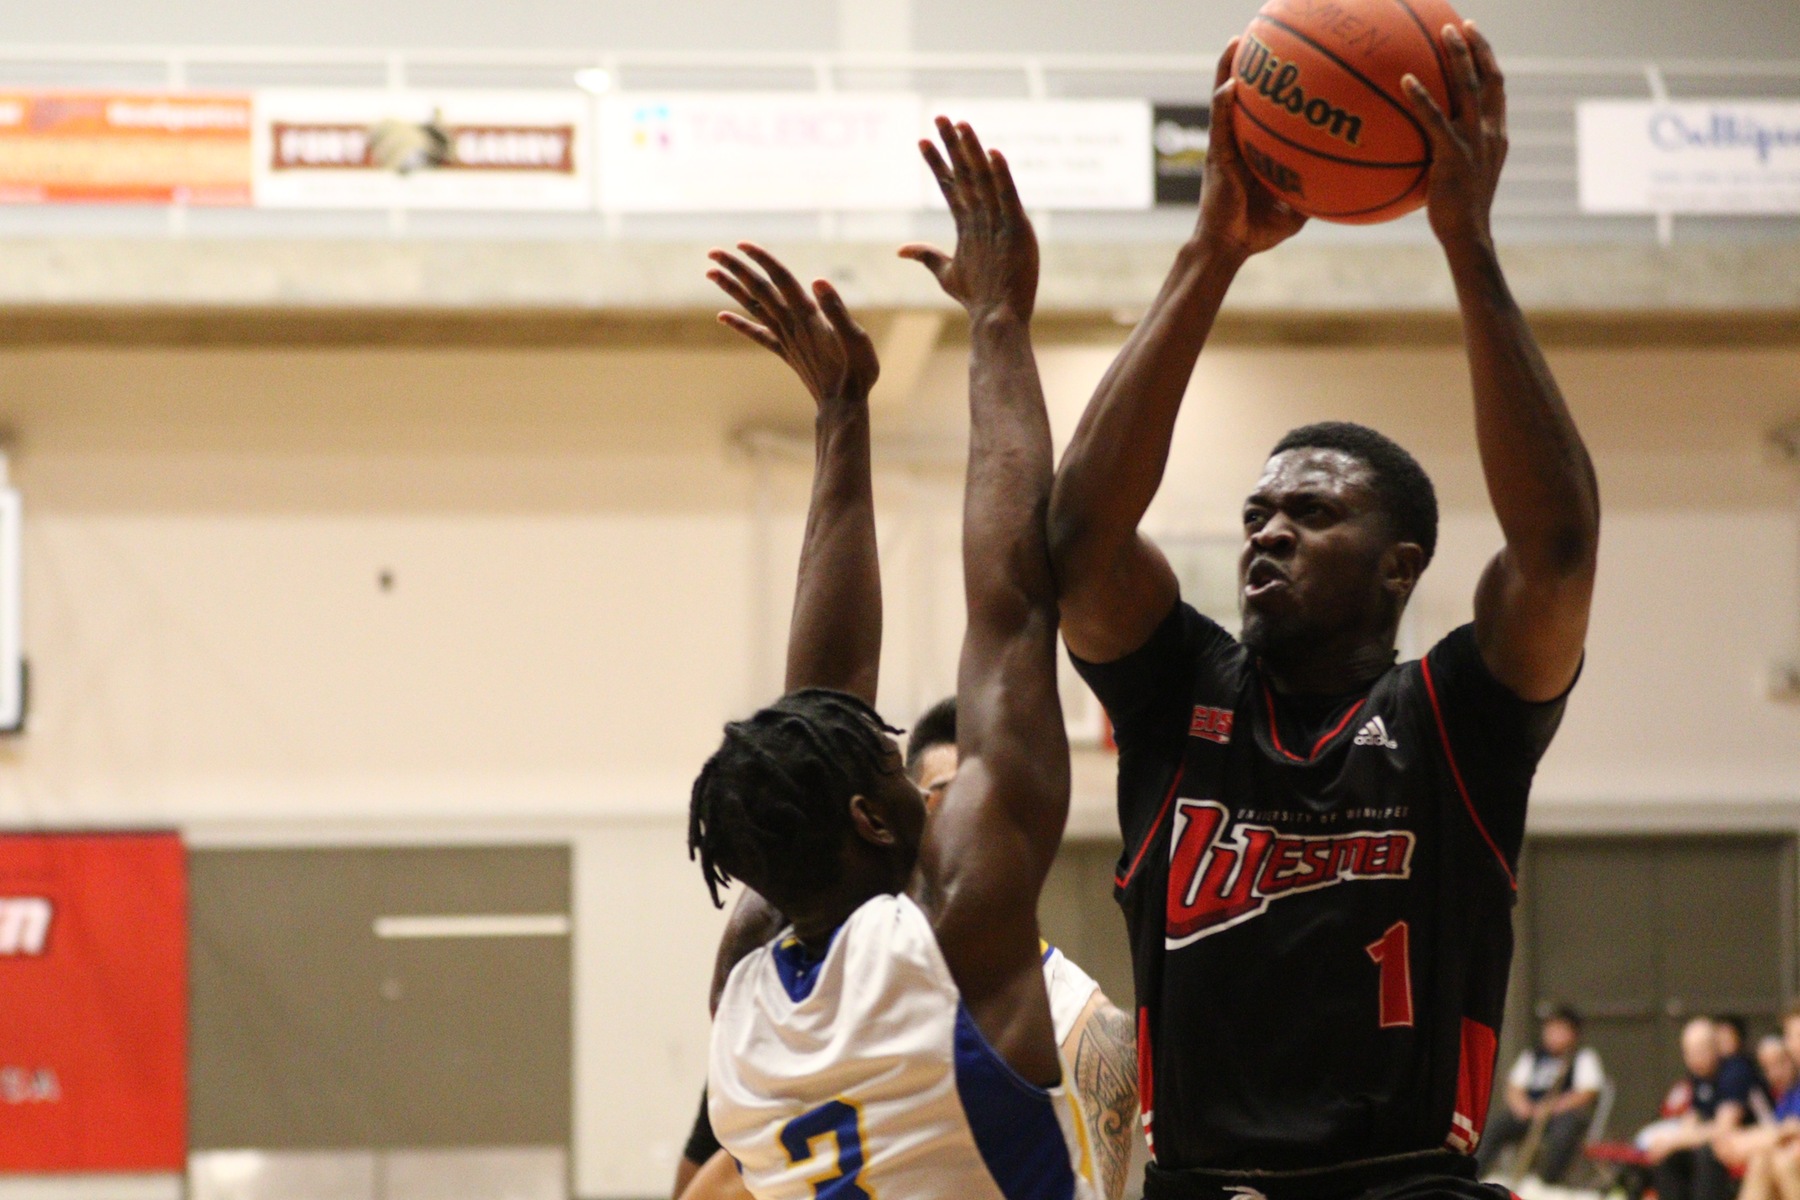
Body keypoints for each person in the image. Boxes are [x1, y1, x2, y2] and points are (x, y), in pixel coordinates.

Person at [1047, 23, 1600, 1200]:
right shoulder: (1179, 696)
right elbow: (1080, 542)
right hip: (1203, 1182)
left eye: (1311, 513)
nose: (1268, 531)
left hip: (1405, 1183)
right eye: (1257, 512)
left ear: (1400, 566)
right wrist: (1210, 250)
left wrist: (1468, 244)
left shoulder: (1457, 717)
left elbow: (1553, 550)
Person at [690, 119, 1096, 1200]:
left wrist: (840, 419)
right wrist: (1000, 320)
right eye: (887, 762)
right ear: (874, 819)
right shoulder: (954, 928)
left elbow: (813, 721)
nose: (908, 759)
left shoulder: (742, 985)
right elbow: (1010, 611)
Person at [1475, 1007, 1604, 1182]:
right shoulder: (1532, 1055)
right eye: (1551, 1029)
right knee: (1495, 1126)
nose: (1554, 1035)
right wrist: (1522, 1106)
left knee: (1564, 1133)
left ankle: (1547, 1182)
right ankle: (1475, 1173)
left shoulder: (1582, 1057)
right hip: (1529, 1113)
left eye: (1560, 1030)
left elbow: (1586, 1093)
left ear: (1574, 1034)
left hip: (1561, 1115)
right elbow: (1514, 1086)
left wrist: (1551, 1108)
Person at [1645, 1017, 1753, 1200]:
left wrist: (1674, 1142)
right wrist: (1671, 1143)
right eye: (1689, 1053)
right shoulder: (1698, 1077)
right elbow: (1691, 1120)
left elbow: (1724, 1128)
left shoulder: (1736, 1071)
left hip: (1749, 1141)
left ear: (1716, 1047)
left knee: (1707, 1153)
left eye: (1701, 1051)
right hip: (1720, 1144)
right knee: (1670, 1156)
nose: (1695, 1059)